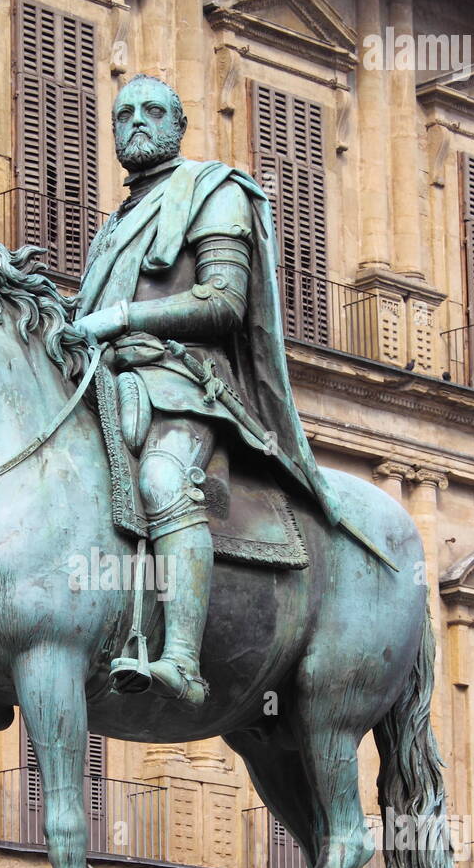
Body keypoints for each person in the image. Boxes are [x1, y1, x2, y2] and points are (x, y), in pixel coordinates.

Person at [73, 74, 346, 706]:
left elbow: (222, 300)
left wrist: (121, 320)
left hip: (183, 384)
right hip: (106, 383)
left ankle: (183, 660)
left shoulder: (212, 191)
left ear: (177, 125)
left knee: (165, 481)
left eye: (152, 111)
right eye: (124, 114)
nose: (136, 122)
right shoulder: (114, 224)